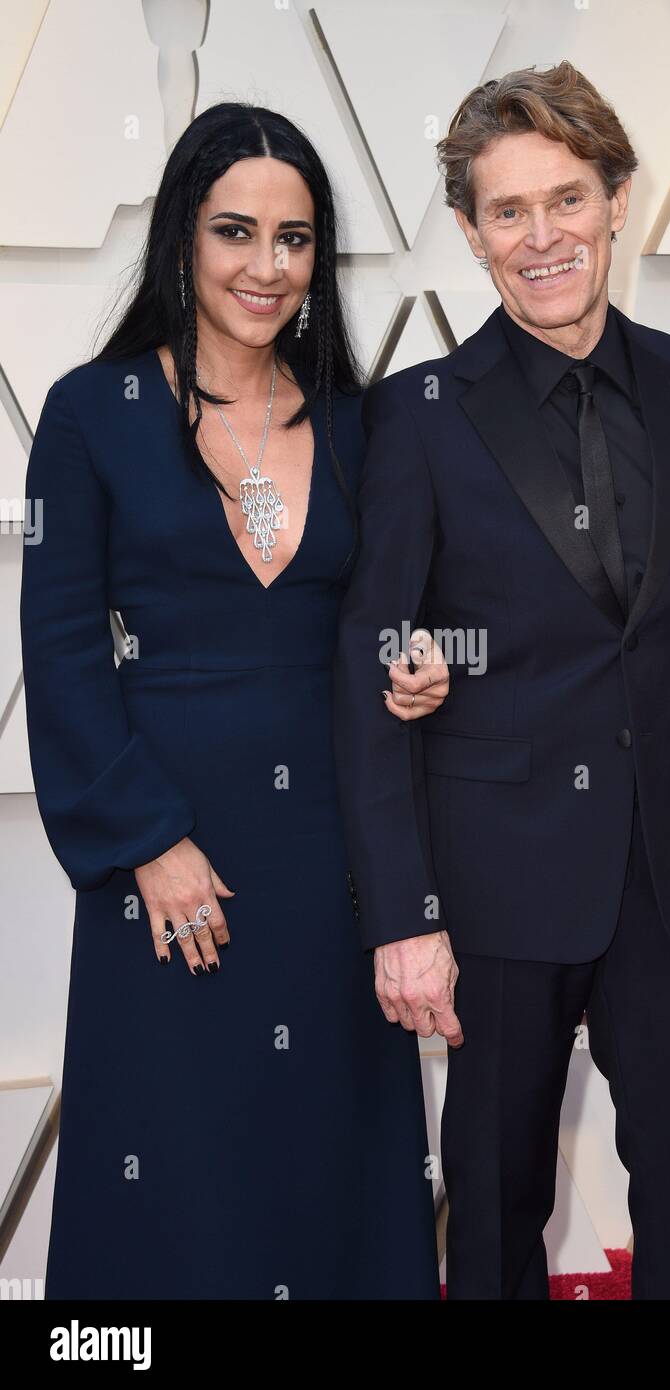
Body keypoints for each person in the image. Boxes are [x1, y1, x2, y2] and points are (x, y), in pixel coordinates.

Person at [333, 61, 670, 1300]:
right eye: (507, 212)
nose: (541, 236)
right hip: (492, 884)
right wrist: (403, 915)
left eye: (564, 199)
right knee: (492, 1208)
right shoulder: (417, 415)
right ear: (467, 234)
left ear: (613, 200)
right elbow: (371, 669)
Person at [20, 102, 448, 1300]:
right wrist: (147, 839)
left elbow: (397, 623)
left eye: (296, 238)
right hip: (163, 863)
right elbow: (58, 653)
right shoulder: (90, 413)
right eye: (236, 231)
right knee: (172, 1164)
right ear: (181, 240)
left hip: (332, 854)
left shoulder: (369, 429)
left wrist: (421, 665)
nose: (268, 266)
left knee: (325, 1151)